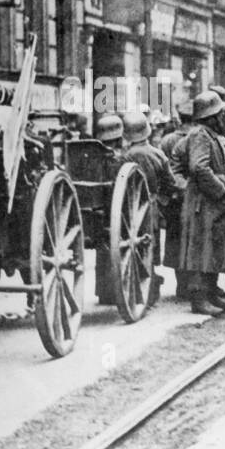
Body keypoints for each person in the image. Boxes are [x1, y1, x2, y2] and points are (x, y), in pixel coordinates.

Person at [178, 91, 225, 316]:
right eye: (220, 113)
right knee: (201, 249)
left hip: (213, 200)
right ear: (212, 116)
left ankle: (211, 293)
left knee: (214, 247)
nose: (224, 117)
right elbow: (199, 167)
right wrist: (221, 191)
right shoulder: (200, 135)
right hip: (204, 200)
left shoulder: (212, 134)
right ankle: (199, 298)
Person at [121, 109, 176, 309]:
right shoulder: (157, 154)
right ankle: (151, 292)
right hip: (151, 206)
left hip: (127, 209)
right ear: (147, 131)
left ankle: (137, 291)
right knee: (150, 248)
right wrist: (162, 201)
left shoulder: (125, 157)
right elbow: (170, 183)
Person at [161, 101, 194, 298]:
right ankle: (193, 285)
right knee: (194, 241)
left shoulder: (167, 140)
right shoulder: (198, 138)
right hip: (193, 197)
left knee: (175, 241)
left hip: (173, 199)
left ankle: (181, 285)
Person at [93, 113, 125, 306]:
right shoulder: (120, 160)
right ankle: (114, 293)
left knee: (101, 249)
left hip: (91, 209)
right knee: (112, 246)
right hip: (114, 209)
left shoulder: (86, 156)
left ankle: (103, 293)